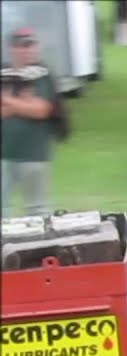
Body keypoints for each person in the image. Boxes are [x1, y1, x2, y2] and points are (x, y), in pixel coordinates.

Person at [0, 28, 56, 219]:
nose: (27, 50)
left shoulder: (41, 76)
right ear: (12, 49)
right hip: (4, 154)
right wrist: (24, 104)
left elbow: (41, 110)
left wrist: (8, 101)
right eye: (22, 46)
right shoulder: (3, 75)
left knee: (37, 211)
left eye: (30, 45)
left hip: (33, 154)